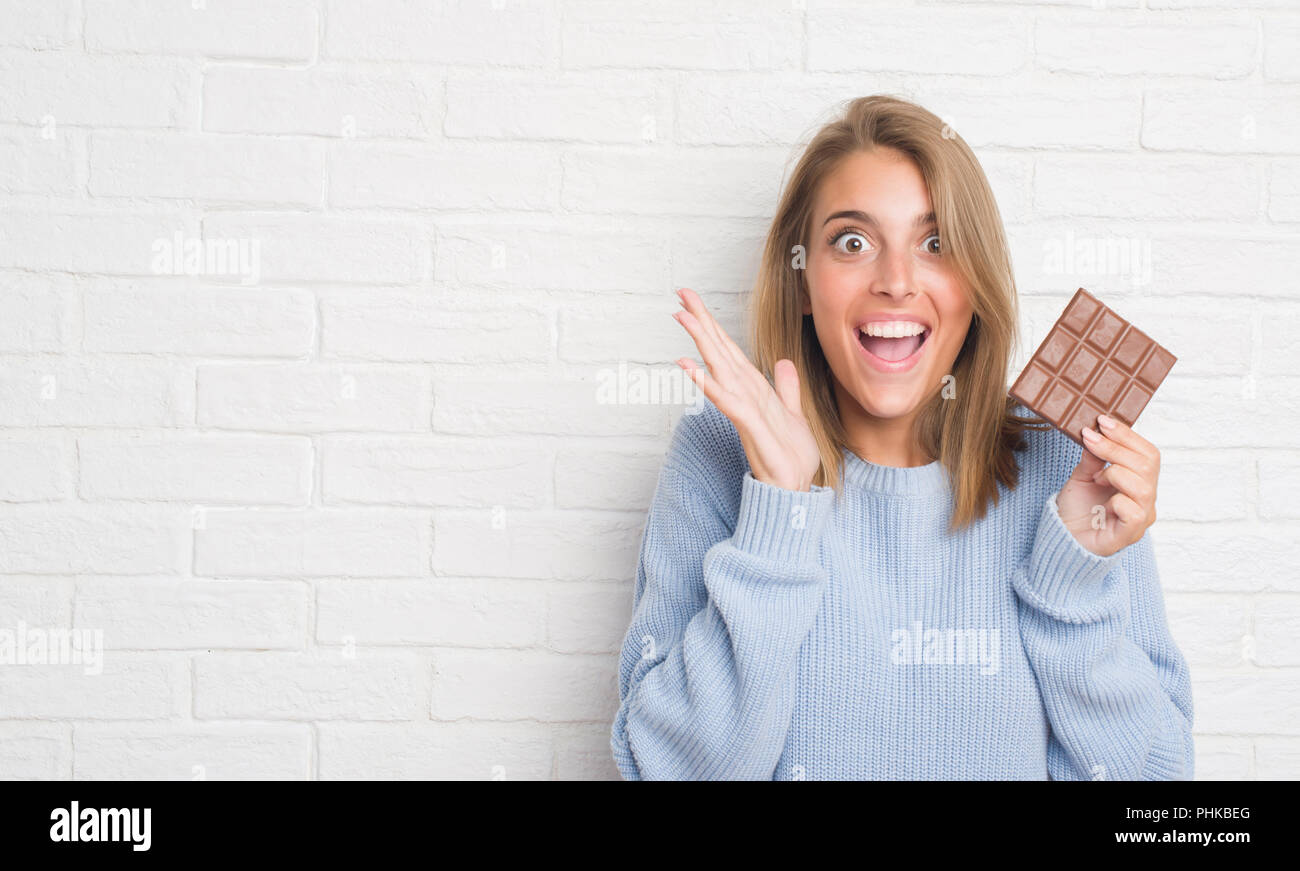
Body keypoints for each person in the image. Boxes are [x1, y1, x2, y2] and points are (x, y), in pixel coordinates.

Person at [609, 95, 1193, 781]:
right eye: (852, 242)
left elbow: (1158, 789)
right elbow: (666, 771)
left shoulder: (1071, 468)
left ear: (974, 282)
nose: (895, 282)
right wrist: (777, 513)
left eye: (936, 242)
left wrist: (1072, 581)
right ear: (801, 279)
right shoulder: (719, 455)